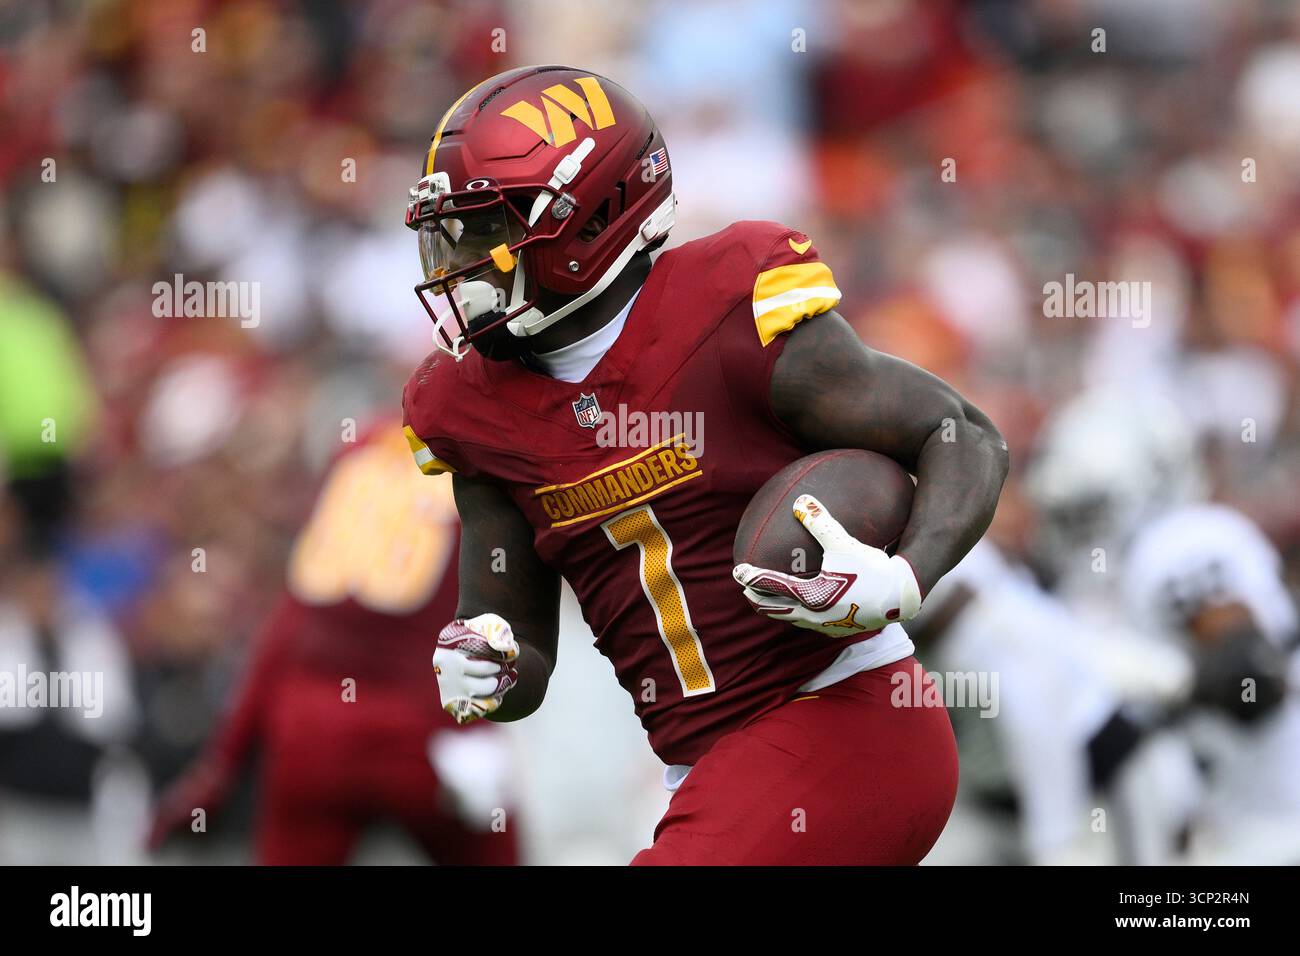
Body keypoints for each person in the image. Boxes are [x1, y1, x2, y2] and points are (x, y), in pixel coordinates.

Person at [402, 66, 1008, 865]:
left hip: (846, 713)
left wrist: (904, 577)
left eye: (486, 231)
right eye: (450, 233)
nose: (460, 264)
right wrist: (489, 663)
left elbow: (962, 434)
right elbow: (524, 649)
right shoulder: (467, 407)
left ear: (590, 220)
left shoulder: (727, 309)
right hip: (706, 772)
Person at [149, 423, 518, 865]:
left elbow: (286, 628)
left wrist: (220, 767)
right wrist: (475, 729)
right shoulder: (493, 450)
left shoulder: (361, 447)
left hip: (312, 727)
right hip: (420, 729)